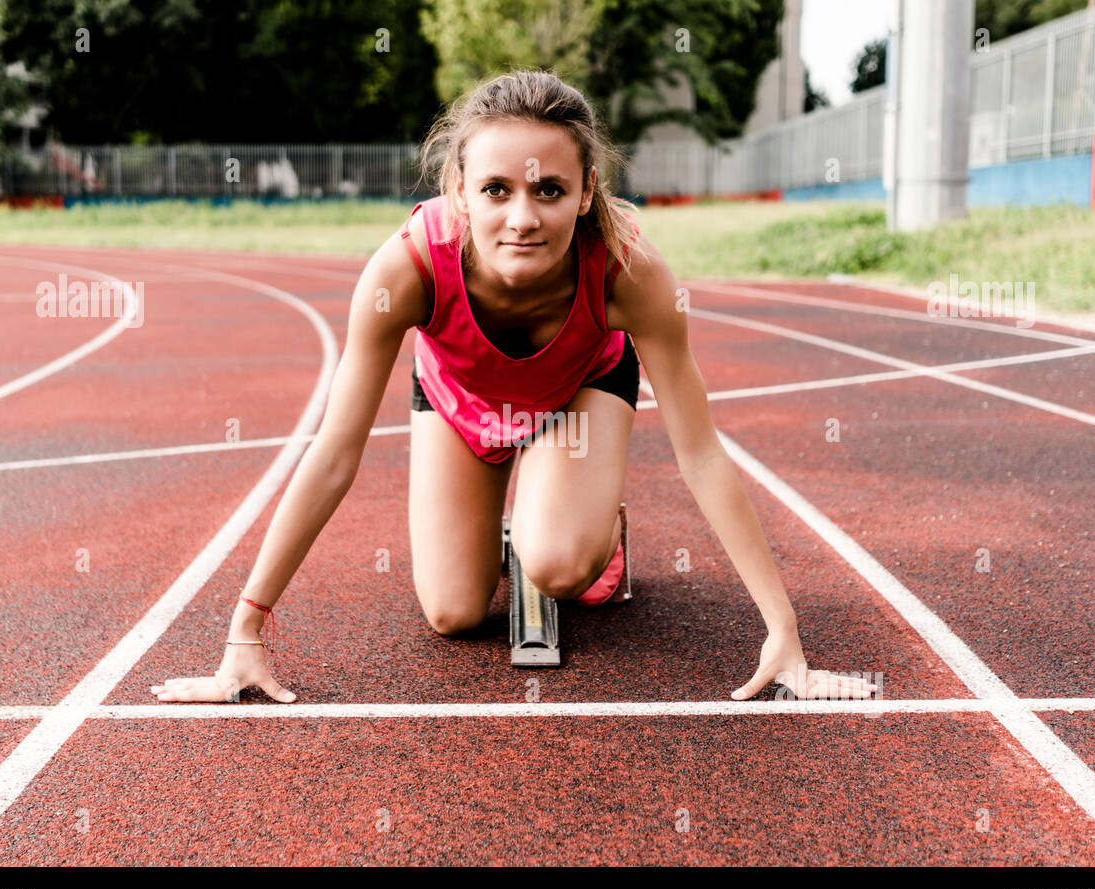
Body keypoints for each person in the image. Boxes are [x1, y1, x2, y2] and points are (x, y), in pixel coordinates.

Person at [151, 70, 877, 704]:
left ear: (589, 191)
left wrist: (784, 633)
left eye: (550, 189)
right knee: (454, 614)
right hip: (460, 400)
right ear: (458, 190)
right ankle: (531, 507)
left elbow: (702, 453)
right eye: (496, 189)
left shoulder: (630, 272)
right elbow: (336, 453)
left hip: (577, 397)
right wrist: (246, 629)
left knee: (559, 564)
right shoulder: (404, 272)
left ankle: (587, 523)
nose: (523, 217)